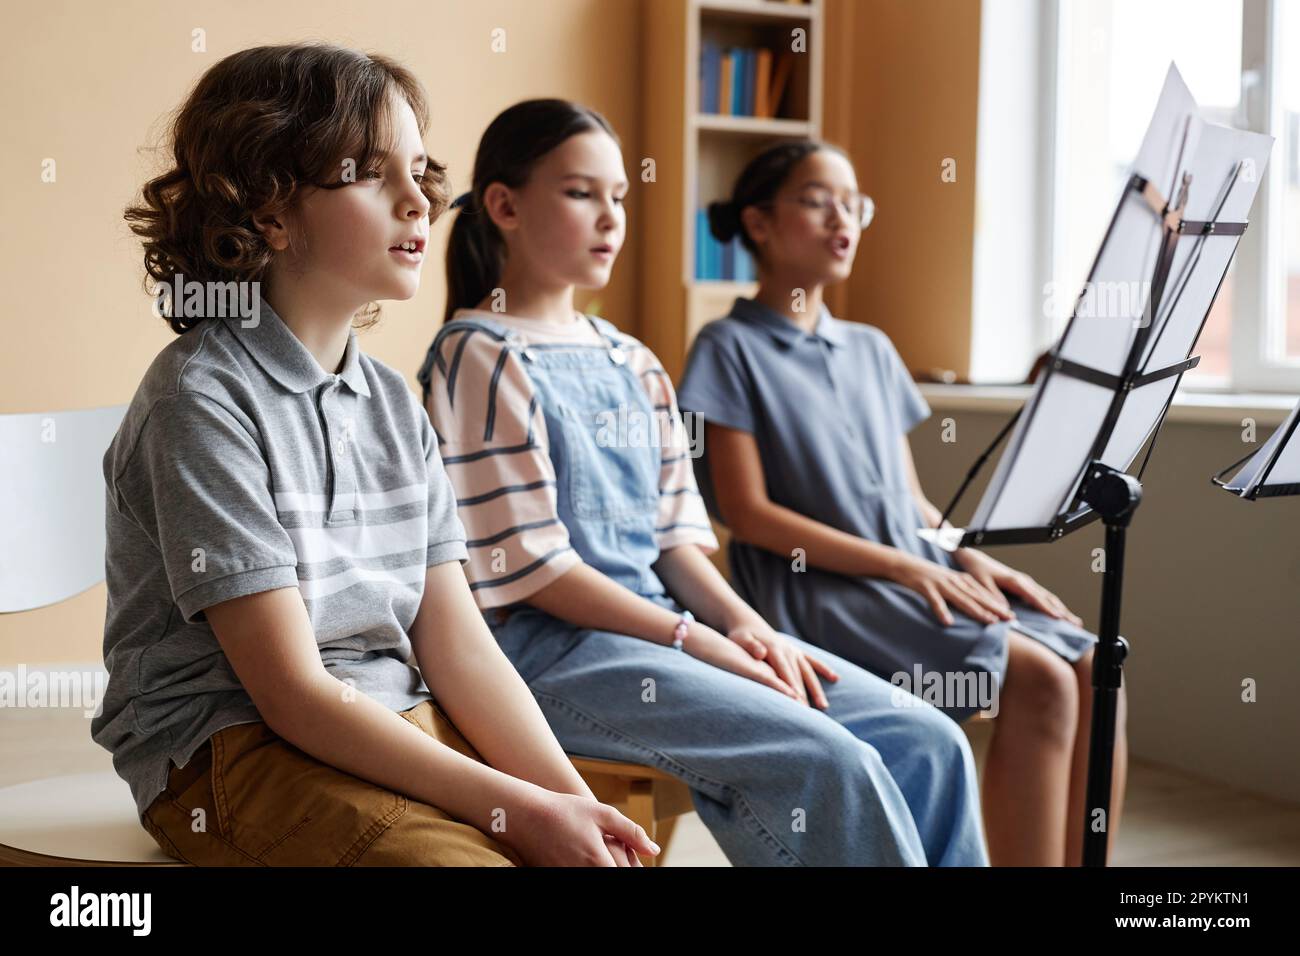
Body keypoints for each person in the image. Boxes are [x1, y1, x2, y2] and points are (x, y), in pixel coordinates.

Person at [93, 44, 656, 867]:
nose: (418, 203)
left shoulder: (395, 401)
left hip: (391, 714)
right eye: (368, 172)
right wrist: (518, 813)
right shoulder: (201, 402)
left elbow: (458, 645)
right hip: (231, 748)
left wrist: (567, 802)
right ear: (269, 210)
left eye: (421, 172)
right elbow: (290, 692)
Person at [418, 99, 990, 866]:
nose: (610, 217)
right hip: (556, 655)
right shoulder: (478, 355)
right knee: (832, 765)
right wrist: (695, 639)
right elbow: (535, 572)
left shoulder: (635, 360)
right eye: (581, 193)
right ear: (505, 206)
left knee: (929, 739)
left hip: (663, 628)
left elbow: (678, 542)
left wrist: (741, 624)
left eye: (619, 197)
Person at [676, 139, 1128, 866]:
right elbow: (748, 514)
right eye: (819, 200)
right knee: (1041, 675)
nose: (843, 219)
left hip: (906, 572)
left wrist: (971, 557)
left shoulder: (872, 349)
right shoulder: (726, 348)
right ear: (759, 223)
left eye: (854, 204)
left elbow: (909, 497)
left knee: (1095, 665)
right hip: (816, 593)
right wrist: (910, 570)